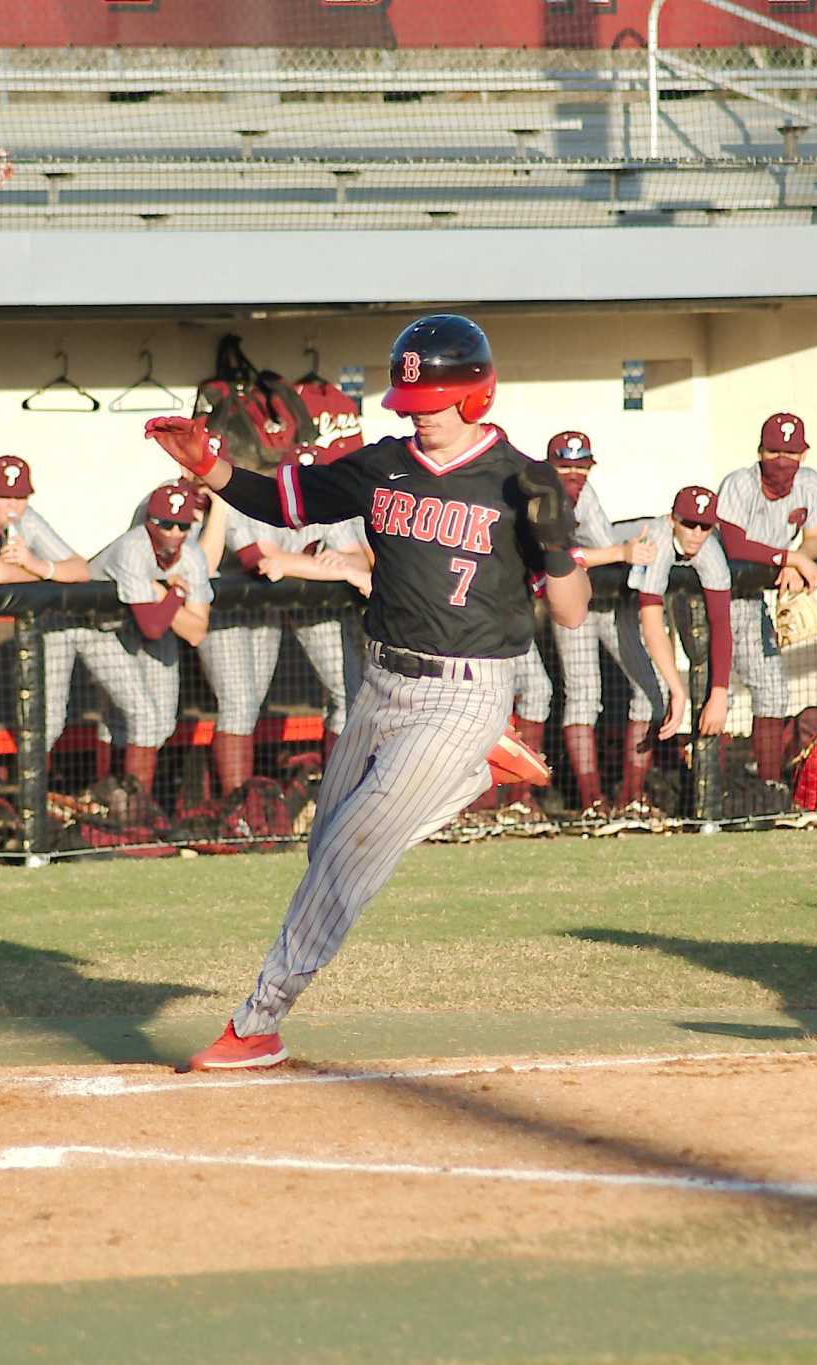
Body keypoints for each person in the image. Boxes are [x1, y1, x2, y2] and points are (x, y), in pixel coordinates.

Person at [145, 312, 589, 1070]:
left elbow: (574, 608)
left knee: (350, 855)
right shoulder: (381, 464)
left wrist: (555, 540)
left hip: (466, 687)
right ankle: (480, 762)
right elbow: (283, 501)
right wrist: (209, 470)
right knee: (325, 848)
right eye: (410, 405)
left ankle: (258, 1021)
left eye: (434, 405)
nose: (420, 418)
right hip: (382, 682)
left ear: (476, 398)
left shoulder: (523, 481)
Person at [198, 445, 372, 794]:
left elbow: (361, 563)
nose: (314, 485)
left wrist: (299, 565)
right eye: (307, 477)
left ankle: (337, 794)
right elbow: (264, 564)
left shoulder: (333, 505)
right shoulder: (249, 503)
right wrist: (329, 568)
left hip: (268, 614)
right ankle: (237, 808)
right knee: (238, 704)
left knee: (348, 696)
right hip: (221, 611)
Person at [542, 431, 664, 820]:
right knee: (582, 694)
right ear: (549, 466)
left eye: (582, 466)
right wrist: (620, 552)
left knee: (650, 689)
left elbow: (605, 542)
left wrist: (632, 547)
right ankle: (592, 801)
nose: (574, 473)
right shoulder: (540, 497)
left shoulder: (586, 495)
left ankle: (632, 797)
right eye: (566, 465)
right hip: (565, 601)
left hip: (607, 601)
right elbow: (560, 557)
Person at [714, 411, 817, 806]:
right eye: (774, 451)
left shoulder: (810, 482)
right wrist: (790, 560)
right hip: (711, 594)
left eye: (791, 452)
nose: (783, 460)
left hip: (750, 600)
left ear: (805, 454)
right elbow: (735, 546)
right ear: (760, 450)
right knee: (717, 693)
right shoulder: (739, 483)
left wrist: (800, 560)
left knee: (771, 687)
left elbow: (814, 538)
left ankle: (767, 784)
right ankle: (706, 788)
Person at [78, 482, 214, 800]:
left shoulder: (192, 556)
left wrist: (162, 594)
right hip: (90, 627)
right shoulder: (133, 547)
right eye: (165, 523)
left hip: (136, 623)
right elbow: (154, 625)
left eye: (183, 525)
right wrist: (176, 594)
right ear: (149, 521)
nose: (174, 532)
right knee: (140, 715)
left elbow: (196, 632)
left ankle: (116, 801)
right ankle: (132, 814)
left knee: (161, 723)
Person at [611, 483, 736, 826]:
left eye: (705, 525)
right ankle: (623, 802)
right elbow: (651, 625)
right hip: (589, 589)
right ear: (672, 519)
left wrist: (720, 694)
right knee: (594, 692)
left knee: (646, 696)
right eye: (689, 523)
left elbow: (721, 624)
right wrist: (679, 691)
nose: (697, 533)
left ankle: (630, 801)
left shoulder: (710, 551)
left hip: (622, 598)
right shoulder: (658, 541)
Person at [0, 454, 91, 758]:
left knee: (43, 719)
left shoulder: (25, 518)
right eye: (3, 496)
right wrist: (46, 574)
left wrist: (38, 566)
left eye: (20, 497)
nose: (13, 505)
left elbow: (81, 569)